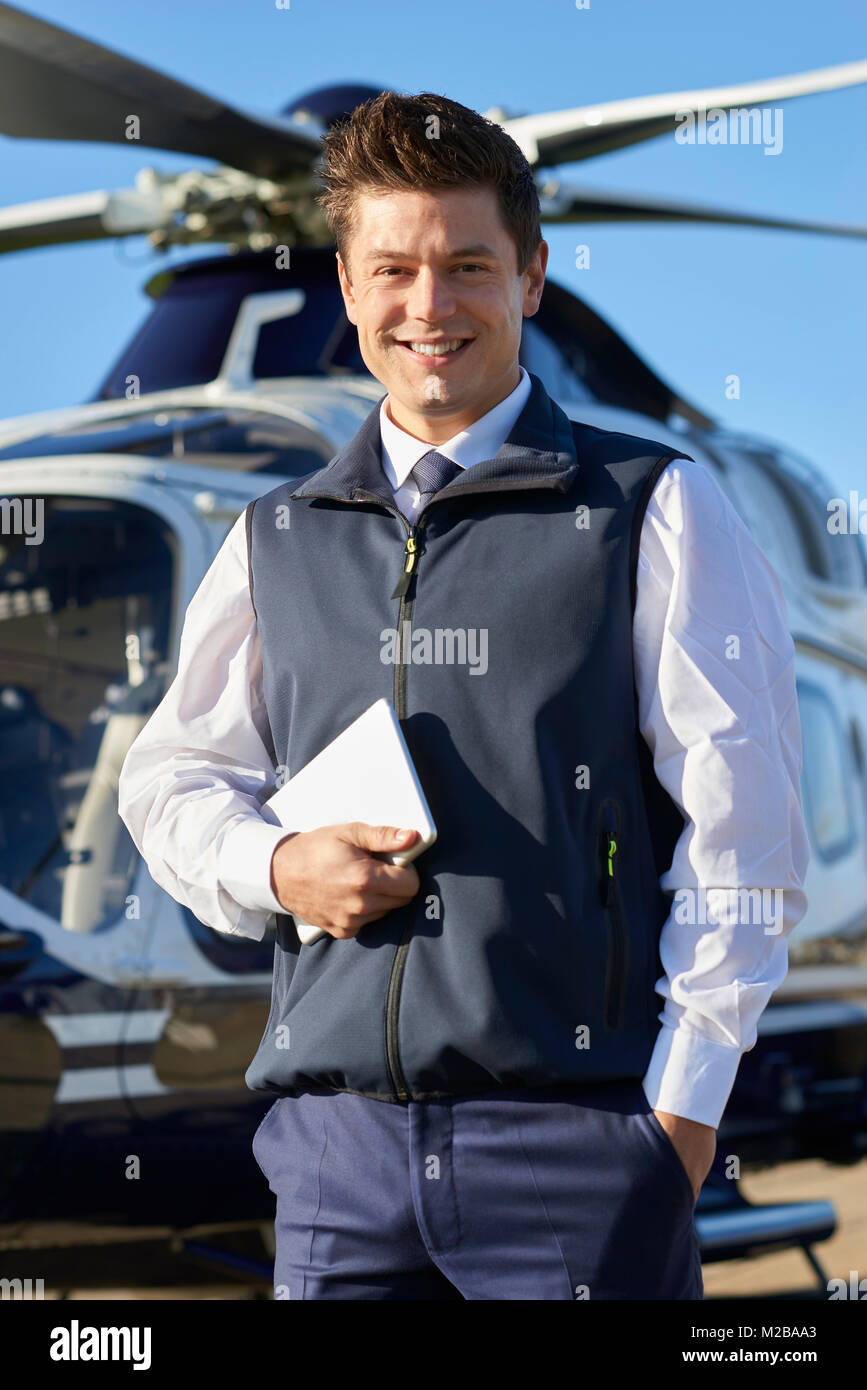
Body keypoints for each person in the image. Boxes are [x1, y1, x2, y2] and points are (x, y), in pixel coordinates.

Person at [118, 90, 809, 1300]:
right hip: (336, 1162)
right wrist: (277, 869)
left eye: (468, 266)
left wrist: (677, 1123)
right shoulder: (274, 535)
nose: (428, 307)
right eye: (393, 269)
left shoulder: (655, 506)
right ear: (345, 284)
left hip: (579, 1151)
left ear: (532, 278)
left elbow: (745, 835)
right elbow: (167, 780)